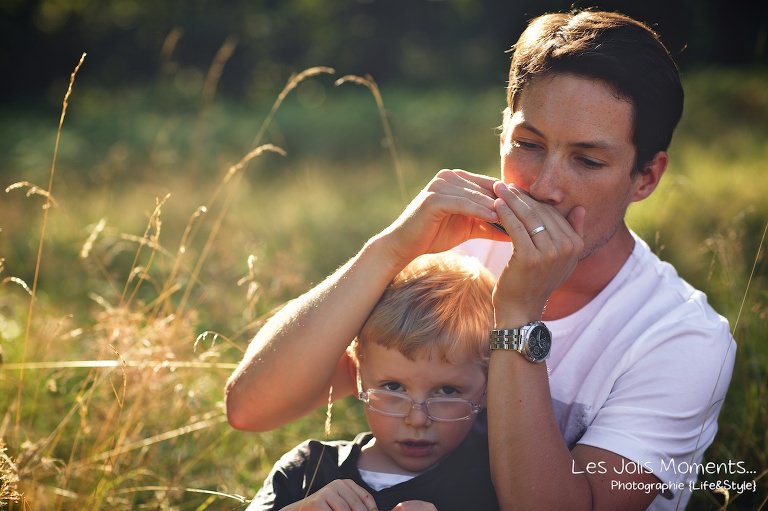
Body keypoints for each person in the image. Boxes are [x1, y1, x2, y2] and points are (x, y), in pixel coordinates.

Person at [227, 8, 736, 511]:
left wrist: (518, 316)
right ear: (503, 135)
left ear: (646, 177)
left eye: (587, 160)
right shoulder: (453, 253)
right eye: (528, 145)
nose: (545, 187)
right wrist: (390, 250)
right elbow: (252, 408)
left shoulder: (682, 338)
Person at [248, 253, 499, 511]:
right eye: (393, 387)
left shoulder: (495, 484)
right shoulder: (307, 469)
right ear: (357, 375)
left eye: (447, 391)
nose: (417, 419)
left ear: (487, 389)